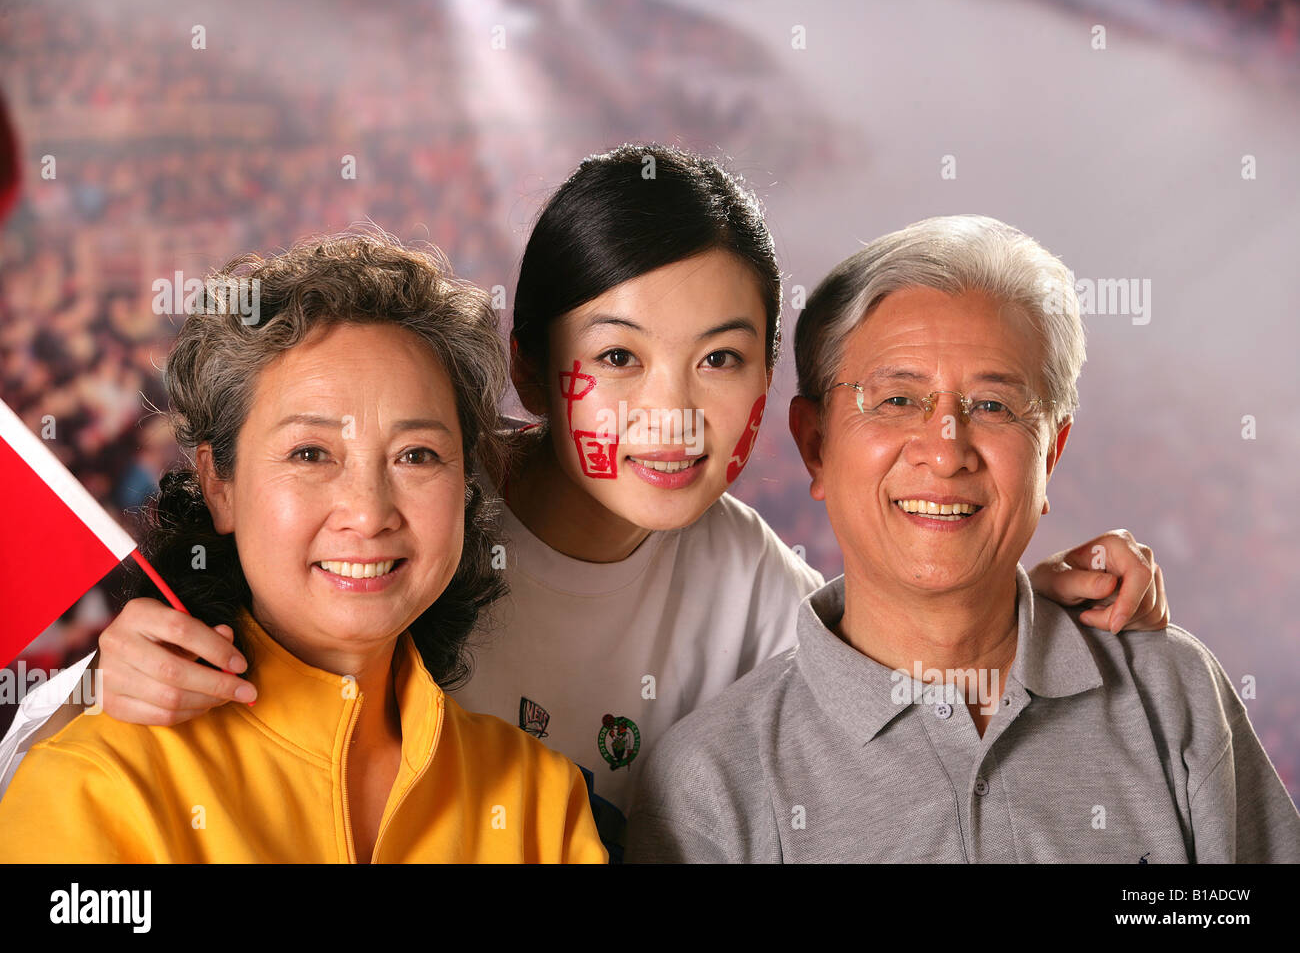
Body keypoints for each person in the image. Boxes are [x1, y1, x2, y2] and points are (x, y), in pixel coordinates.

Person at [1, 147, 1171, 862]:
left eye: (720, 360)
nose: (670, 414)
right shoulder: (391, 516)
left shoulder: (750, 586)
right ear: (527, 369)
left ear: (774, 388)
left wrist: (1016, 595)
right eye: (616, 358)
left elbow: (885, 663)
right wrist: (98, 683)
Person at [625, 215, 1300, 863]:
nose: (947, 453)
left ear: (1050, 454)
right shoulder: (712, 786)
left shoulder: (1172, 695)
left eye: (993, 406)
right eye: (896, 400)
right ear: (815, 444)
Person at [0, 233, 606, 863]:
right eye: (310, 454)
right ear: (219, 485)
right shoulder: (96, 785)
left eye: (417, 455)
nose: (368, 513)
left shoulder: (539, 801)